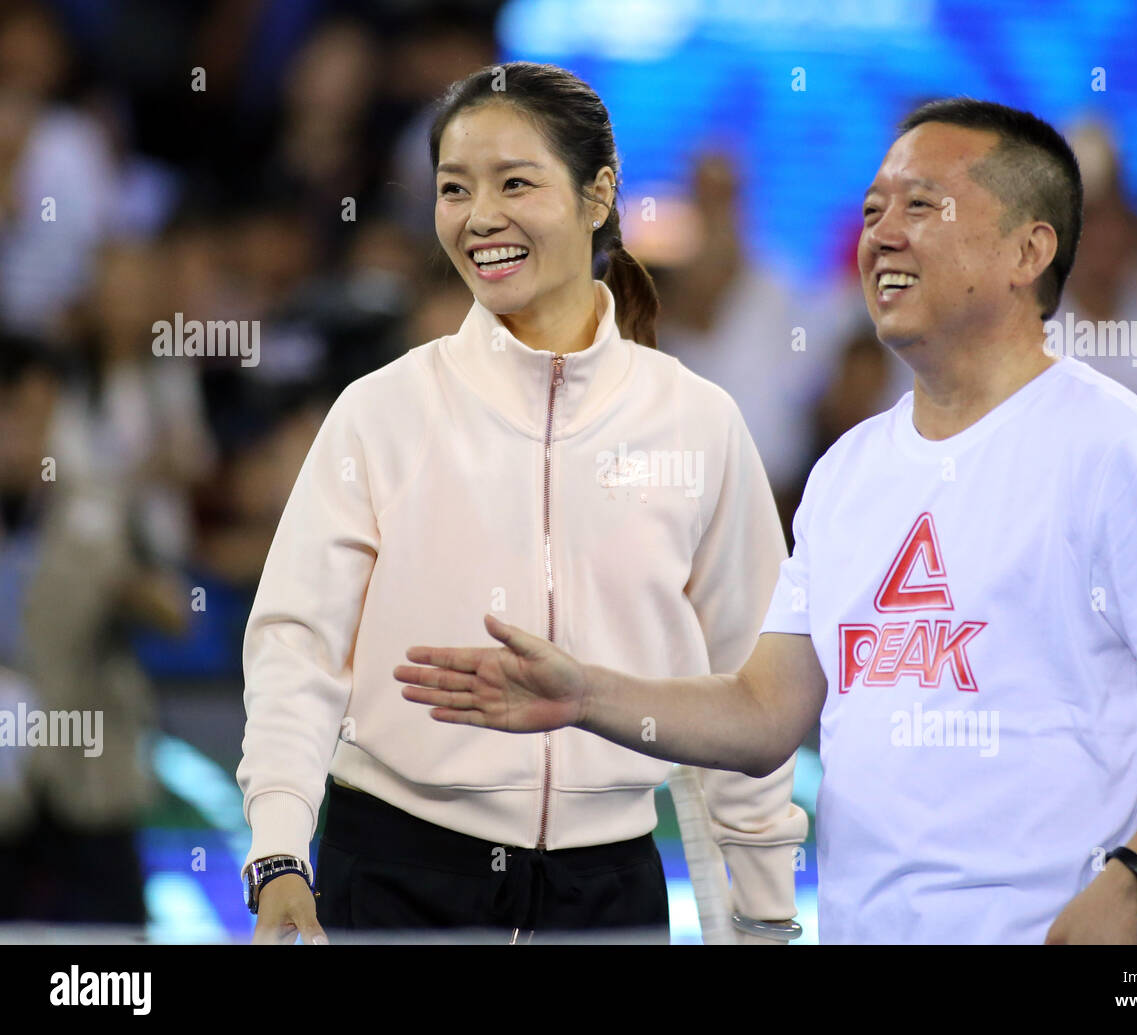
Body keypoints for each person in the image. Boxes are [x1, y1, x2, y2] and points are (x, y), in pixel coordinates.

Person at [397, 98, 1137, 945]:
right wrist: (585, 695)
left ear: (1028, 250)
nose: (882, 233)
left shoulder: (1119, 450)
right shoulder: (848, 472)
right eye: (873, 209)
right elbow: (762, 713)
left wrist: (1132, 878)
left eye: (922, 206)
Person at [237, 62, 807, 946]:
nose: (479, 217)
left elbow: (749, 691)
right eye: (454, 189)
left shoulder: (698, 421)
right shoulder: (381, 411)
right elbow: (296, 648)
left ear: (597, 194)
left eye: (515, 183)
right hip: (394, 876)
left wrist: (767, 915)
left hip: (609, 888)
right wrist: (278, 855)